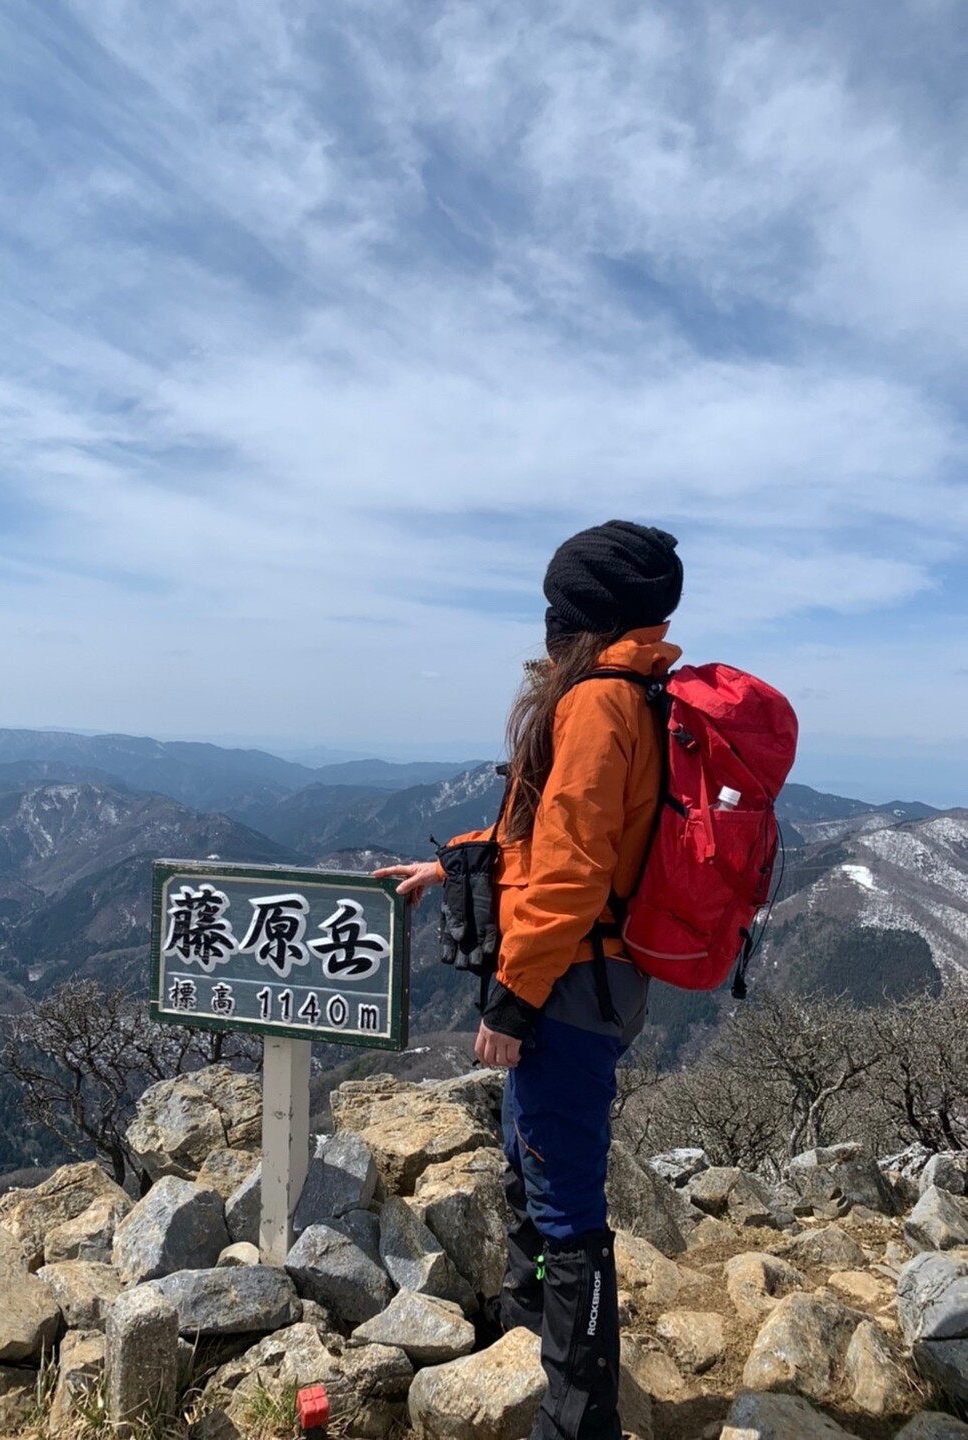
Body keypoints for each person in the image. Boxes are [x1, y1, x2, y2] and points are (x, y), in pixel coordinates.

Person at [375, 520, 684, 1440]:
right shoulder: (633, 691)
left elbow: (571, 871)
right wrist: (452, 864)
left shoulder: (596, 701)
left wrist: (512, 1002)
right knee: (527, 1161)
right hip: (589, 976)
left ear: (579, 614)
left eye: (556, 608)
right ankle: (521, 1332)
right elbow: (541, 835)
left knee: (563, 1200)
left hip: (569, 986)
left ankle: (575, 1420)